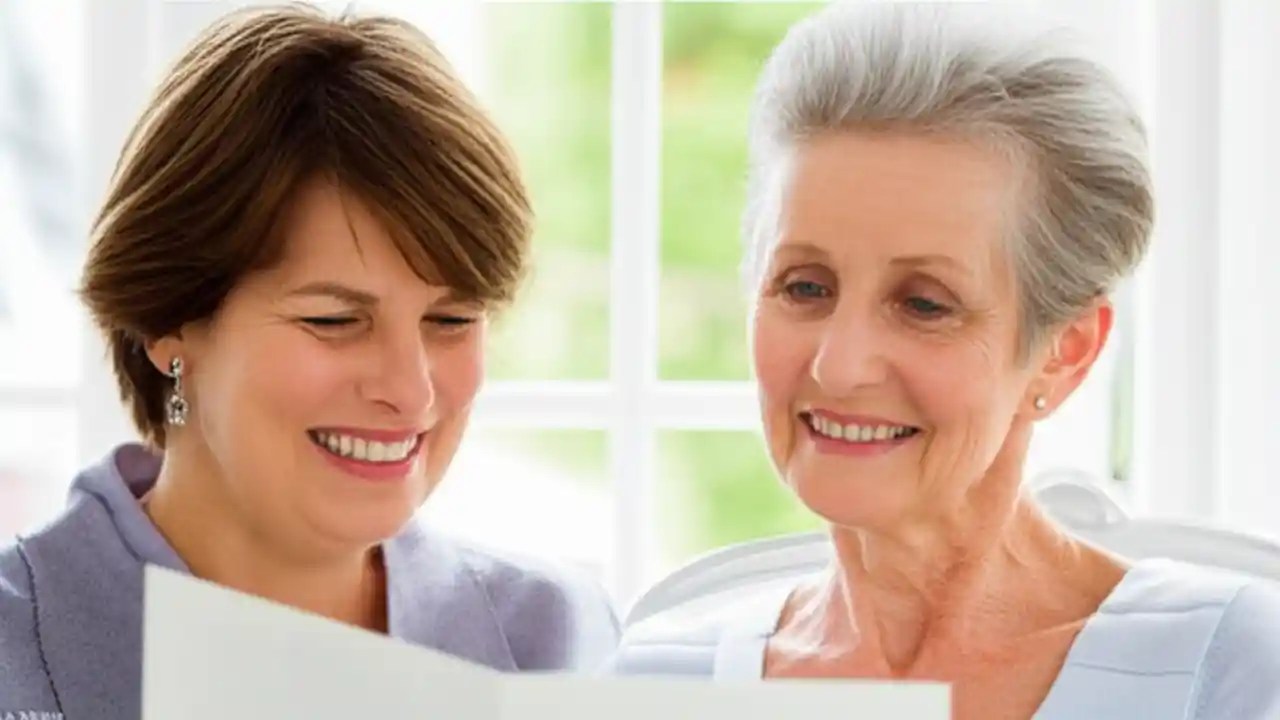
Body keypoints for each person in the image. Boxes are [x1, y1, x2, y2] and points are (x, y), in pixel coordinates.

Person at [611, 4, 1280, 719]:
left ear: (1065, 352)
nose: (839, 368)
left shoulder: (1228, 666)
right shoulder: (658, 681)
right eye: (805, 287)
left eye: (924, 304)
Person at [0, 6, 618, 718]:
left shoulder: (559, 643)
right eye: (334, 320)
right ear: (168, 322)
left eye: (450, 320)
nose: (411, 392)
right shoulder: (18, 647)